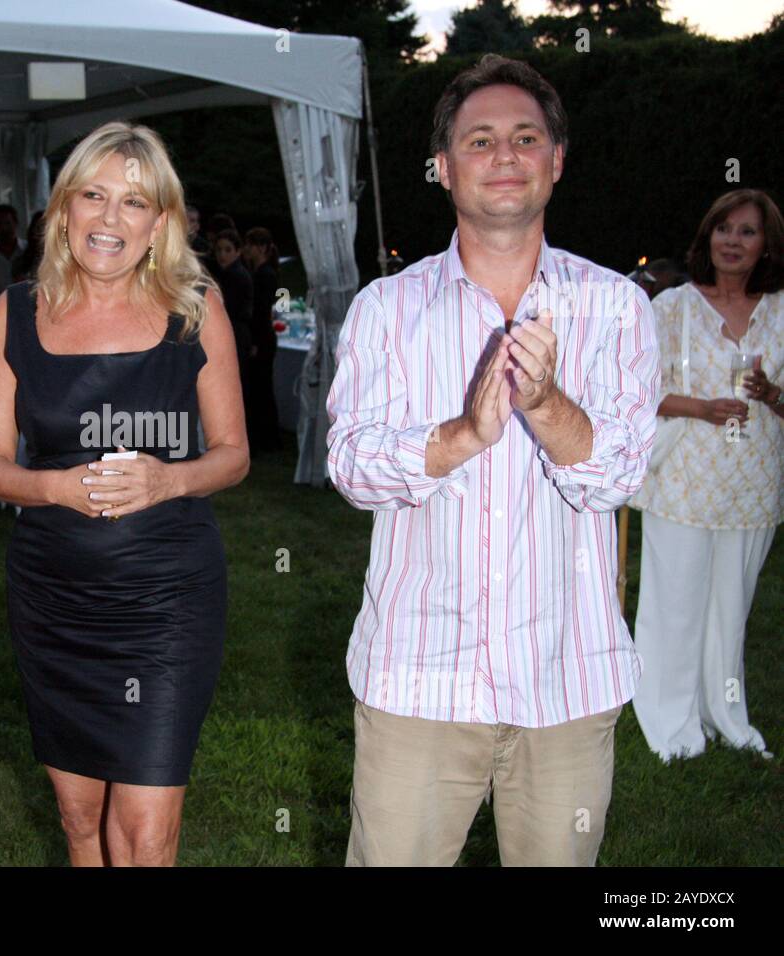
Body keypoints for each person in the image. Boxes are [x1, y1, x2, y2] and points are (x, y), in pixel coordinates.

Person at [326, 54, 659, 867]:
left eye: (525, 137)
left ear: (556, 161)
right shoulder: (386, 310)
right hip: (419, 684)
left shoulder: (615, 306)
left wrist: (544, 404)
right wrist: (462, 436)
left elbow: (618, 477)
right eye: (479, 140)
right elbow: (353, 467)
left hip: (567, 682)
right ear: (441, 168)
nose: (504, 155)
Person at [0, 120, 248, 867]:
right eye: (93, 195)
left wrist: (169, 478)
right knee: (77, 817)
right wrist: (54, 487)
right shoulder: (16, 312)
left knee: (146, 832)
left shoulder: (196, 310)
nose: (109, 218)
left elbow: (234, 455)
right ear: (64, 209)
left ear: (160, 222)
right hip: (55, 599)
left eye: (133, 202)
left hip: (167, 601)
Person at [628, 188, 784, 762]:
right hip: (686, 480)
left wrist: (772, 394)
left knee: (731, 610)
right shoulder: (672, 308)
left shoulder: (782, 310)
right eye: (724, 229)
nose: (733, 242)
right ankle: (671, 724)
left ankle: (726, 713)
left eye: (747, 232)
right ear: (707, 238)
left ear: (767, 244)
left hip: (754, 481)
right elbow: (638, 393)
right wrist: (703, 407)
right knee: (676, 604)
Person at [241, 226, 281, 451]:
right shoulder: (262, 272)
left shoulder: (265, 274)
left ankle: (264, 437)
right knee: (261, 388)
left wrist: (255, 341)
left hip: (262, 337)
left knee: (261, 389)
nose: (247, 250)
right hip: (263, 335)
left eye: (250, 245)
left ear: (262, 248)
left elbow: (262, 310)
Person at [213, 228, 253, 370]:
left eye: (228, 250)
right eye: (219, 250)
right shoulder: (226, 273)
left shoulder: (235, 276)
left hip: (235, 336)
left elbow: (228, 308)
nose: (222, 255)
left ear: (238, 251)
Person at [12, 210, 47, 283]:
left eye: (44, 228)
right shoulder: (21, 262)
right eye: (38, 228)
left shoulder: (63, 260)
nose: (41, 232)